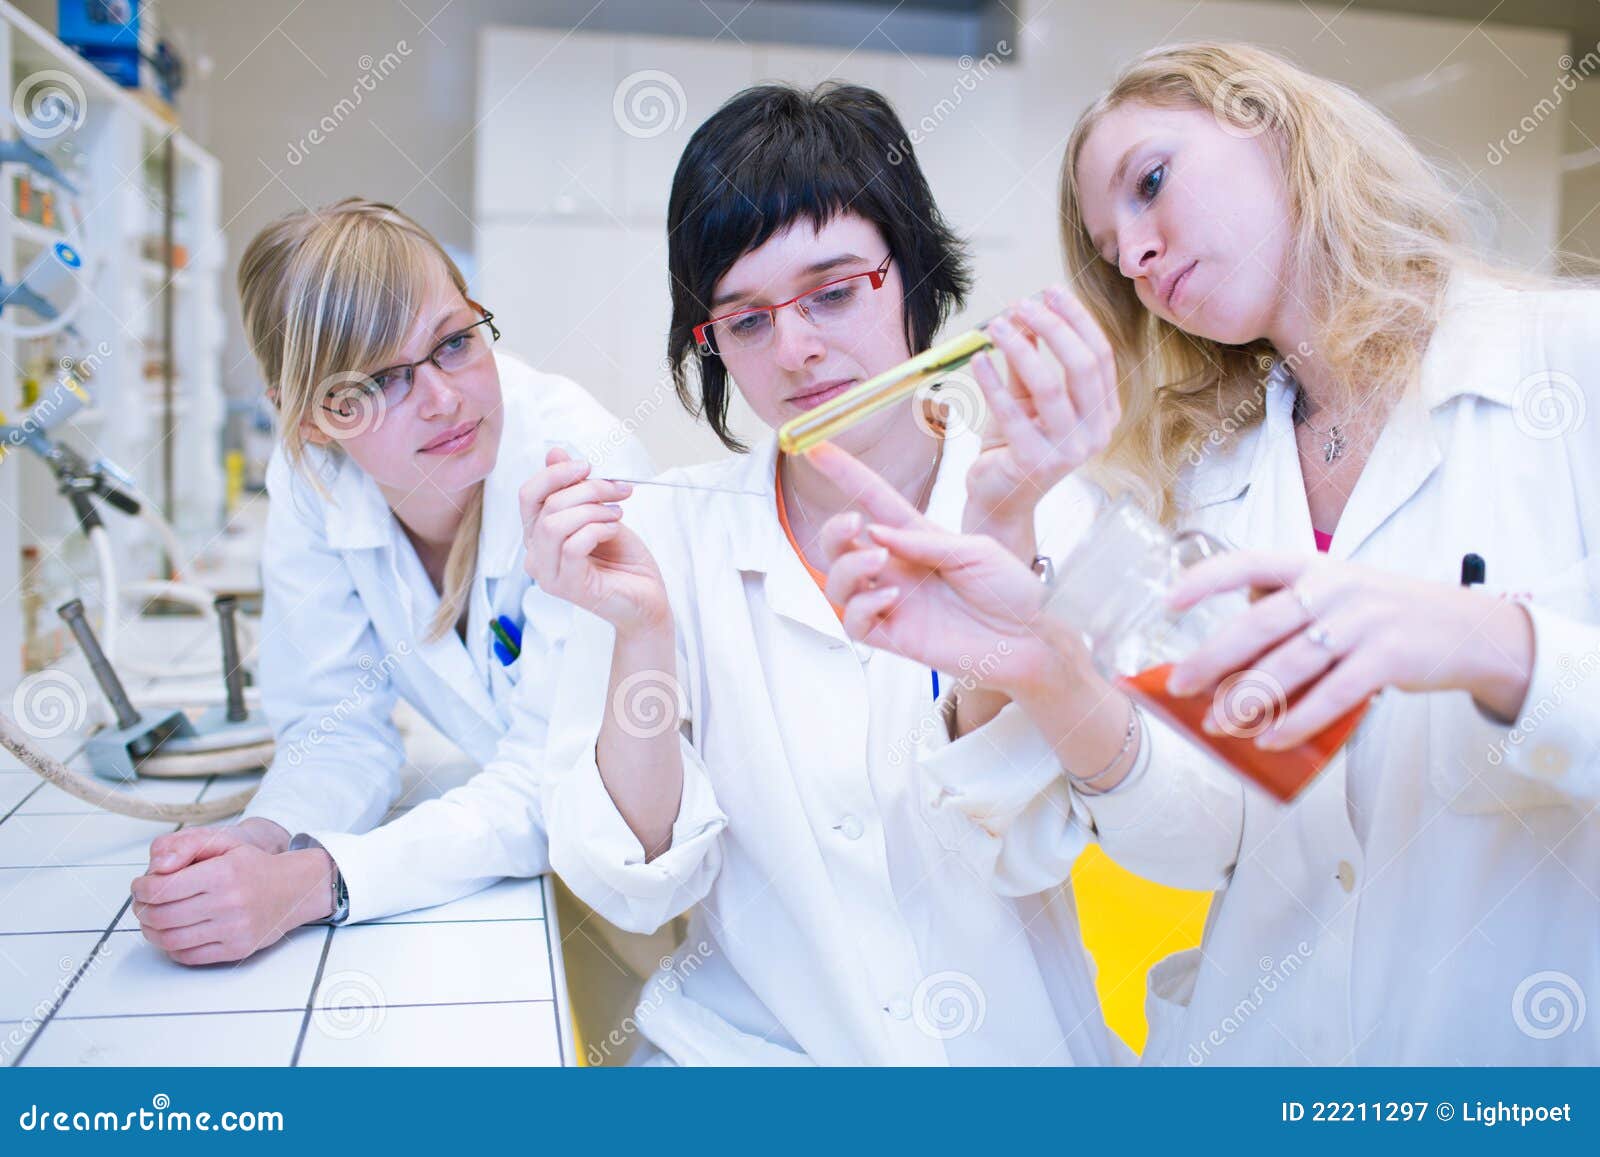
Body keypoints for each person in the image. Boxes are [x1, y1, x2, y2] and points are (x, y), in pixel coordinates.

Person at [814, 41, 1600, 1065]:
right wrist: (1050, 671)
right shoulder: (1212, 476)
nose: (1135, 255)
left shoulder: (1564, 364)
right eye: (1110, 250)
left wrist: (1492, 642)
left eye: (1150, 183)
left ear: (1268, 120)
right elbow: (1208, 837)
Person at [526, 83, 1123, 1064]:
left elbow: (1032, 839)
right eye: (746, 320)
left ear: (912, 272)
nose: (797, 349)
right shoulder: (663, 533)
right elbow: (635, 882)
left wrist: (1001, 540)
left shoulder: (1056, 512)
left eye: (833, 291)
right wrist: (641, 633)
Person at [130, 198, 651, 964]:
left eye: (454, 343)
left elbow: (559, 781)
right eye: (377, 382)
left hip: (669, 868)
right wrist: (258, 839)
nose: (444, 399)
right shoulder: (314, 480)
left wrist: (312, 883)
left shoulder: (581, 464)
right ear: (310, 421)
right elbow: (335, 726)